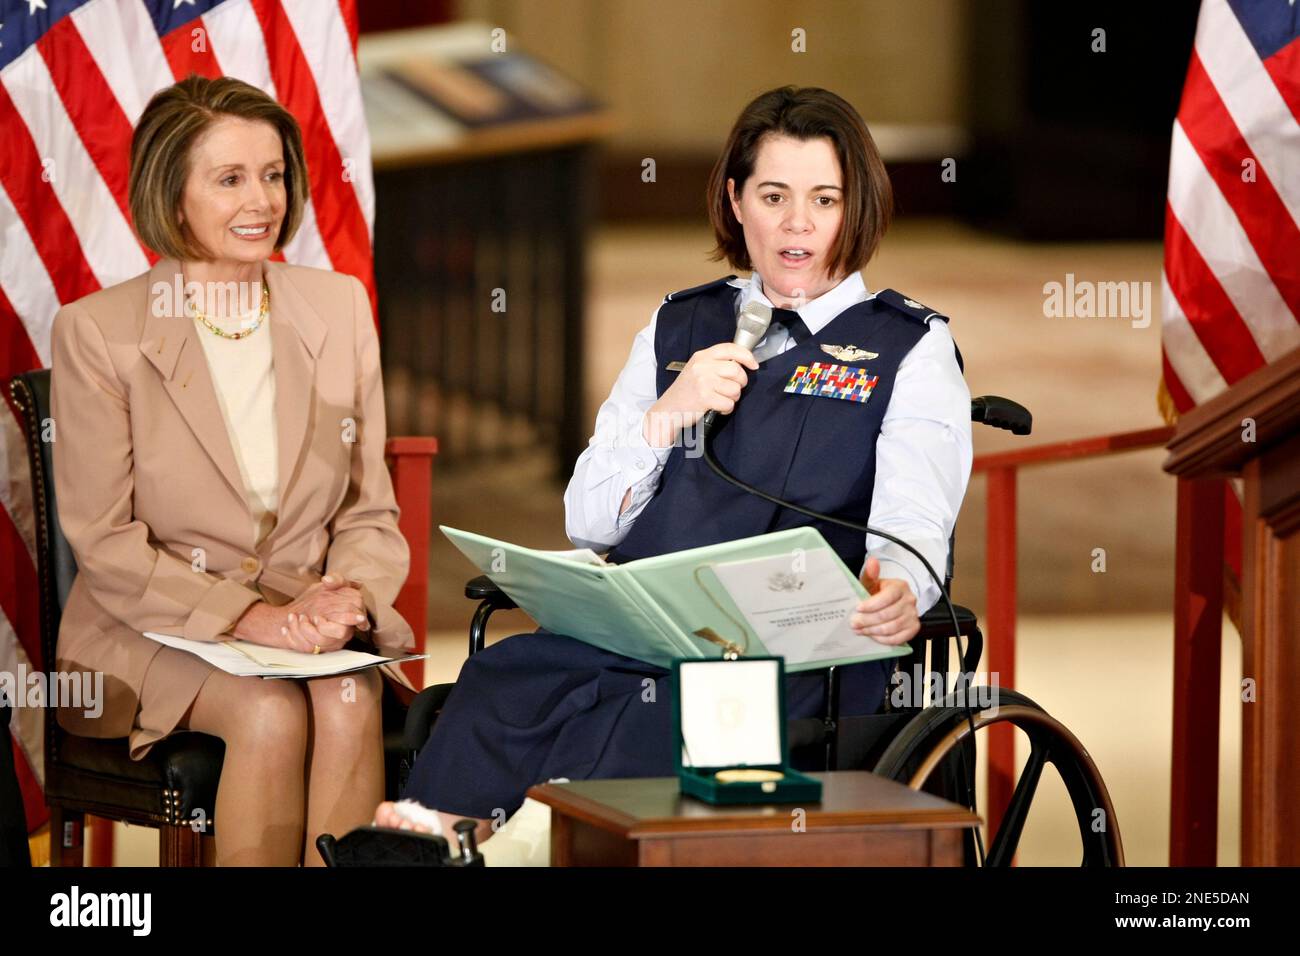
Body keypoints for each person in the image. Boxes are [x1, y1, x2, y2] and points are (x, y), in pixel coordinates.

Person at [376, 86, 972, 845]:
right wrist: (669, 412)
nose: (798, 224)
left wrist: (900, 589)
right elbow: (589, 519)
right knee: (507, 681)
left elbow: (913, 528)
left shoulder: (909, 348)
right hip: (644, 627)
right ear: (735, 199)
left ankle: (514, 844)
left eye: (825, 198)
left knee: (652, 718)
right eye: (774, 195)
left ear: (858, 208)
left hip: (791, 663)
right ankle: (426, 841)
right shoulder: (678, 323)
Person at [50, 76, 412, 866]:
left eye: (275, 174)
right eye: (230, 179)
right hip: (138, 628)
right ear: (172, 197)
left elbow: (366, 513)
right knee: (268, 715)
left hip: (303, 622)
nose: (263, 201)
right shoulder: (98, 333)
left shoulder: (338, 307)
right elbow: (106, 544)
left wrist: (344, 597)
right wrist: (253, 620)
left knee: (353, 695)